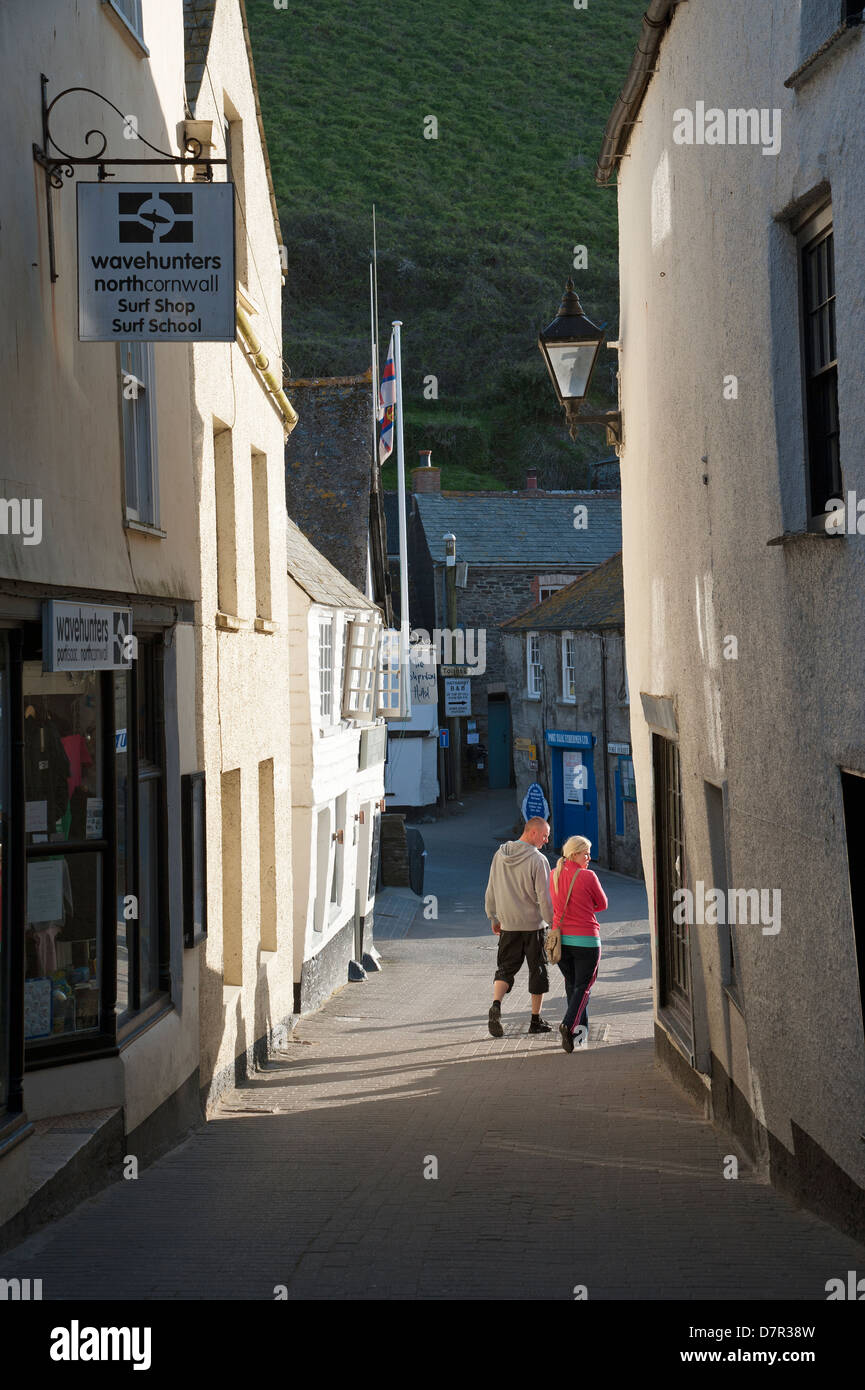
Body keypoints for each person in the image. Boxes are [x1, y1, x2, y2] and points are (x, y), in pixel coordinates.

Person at [484, 817, 554, 1037]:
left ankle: (496, 1005)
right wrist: (552, 923)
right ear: (532, 832)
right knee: (538, 969)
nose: (546, 840)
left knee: (505, 968)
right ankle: (535, 1020)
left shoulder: (500, 854)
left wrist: (492, 916)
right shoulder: (538, 860)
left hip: (508, 925)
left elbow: (491, 887)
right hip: (533, 926)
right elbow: (544, 897)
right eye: (544, 835)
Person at [549, 835, 607, 1053]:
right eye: (586, 853)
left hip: (562, 941)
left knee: (572, 986)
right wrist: (585, 907)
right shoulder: (588, 876)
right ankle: (568, 1024)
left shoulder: (554, 875)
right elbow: (602, 904)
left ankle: (579, 1036)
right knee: (584, 988)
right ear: (574, 854)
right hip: (587, 941)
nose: (589, 857)